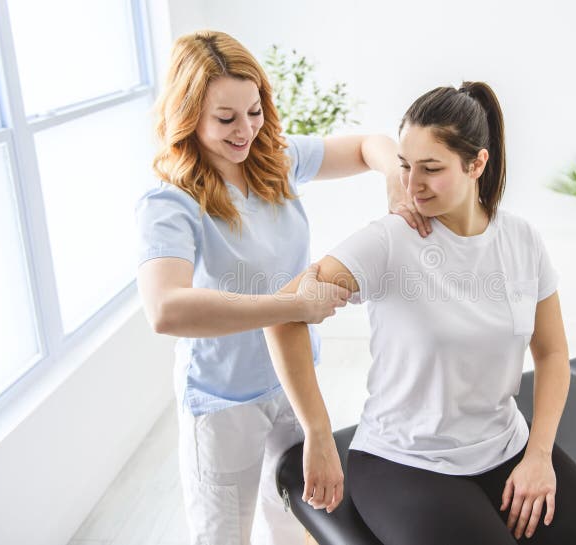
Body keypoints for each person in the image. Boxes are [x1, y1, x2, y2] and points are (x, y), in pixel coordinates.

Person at [263, 82, 576, 544]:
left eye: (431, 169)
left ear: (476, 163)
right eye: (404, 166)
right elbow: (283, 314)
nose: (411, 184)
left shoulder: (522, 242)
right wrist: (318, 432)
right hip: (403, 462)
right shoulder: (388, 242)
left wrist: (539, 454)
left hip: (504, 447)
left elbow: (554, 354)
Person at [134, 30, 430, 545]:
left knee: (294, 528)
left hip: (291, 383)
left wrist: (391, 174)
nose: (246, 130)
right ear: (187, 117)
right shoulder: (171, 203)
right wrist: (292, 305)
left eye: (254, 110)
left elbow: (368, 145)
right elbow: (165, 309)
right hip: (223, 404)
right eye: (225, 119)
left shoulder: (276, 160)